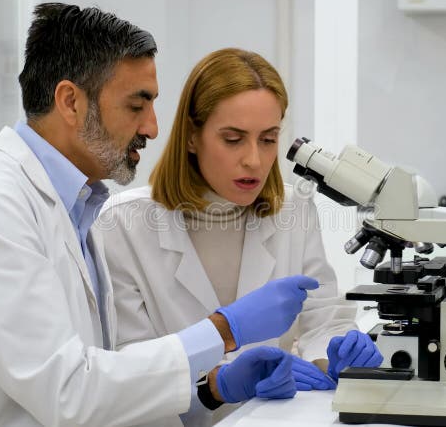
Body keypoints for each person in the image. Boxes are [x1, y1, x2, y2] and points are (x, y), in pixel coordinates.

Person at [0, 4, 318, 427]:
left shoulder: (77, 209)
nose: (152, 127)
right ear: (70, 101)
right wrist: (223, 330)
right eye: (136, 105)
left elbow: (104, 382)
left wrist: (212, 389)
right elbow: (67, 392)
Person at [99, 48, 383, 424]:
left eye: (268, 139)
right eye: (233, 139)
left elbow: (322, 316)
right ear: (191, 137)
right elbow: (129, 375)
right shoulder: (123, 225)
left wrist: (335, 354)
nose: (254, 159)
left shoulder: (293, 209)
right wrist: (217, 384)